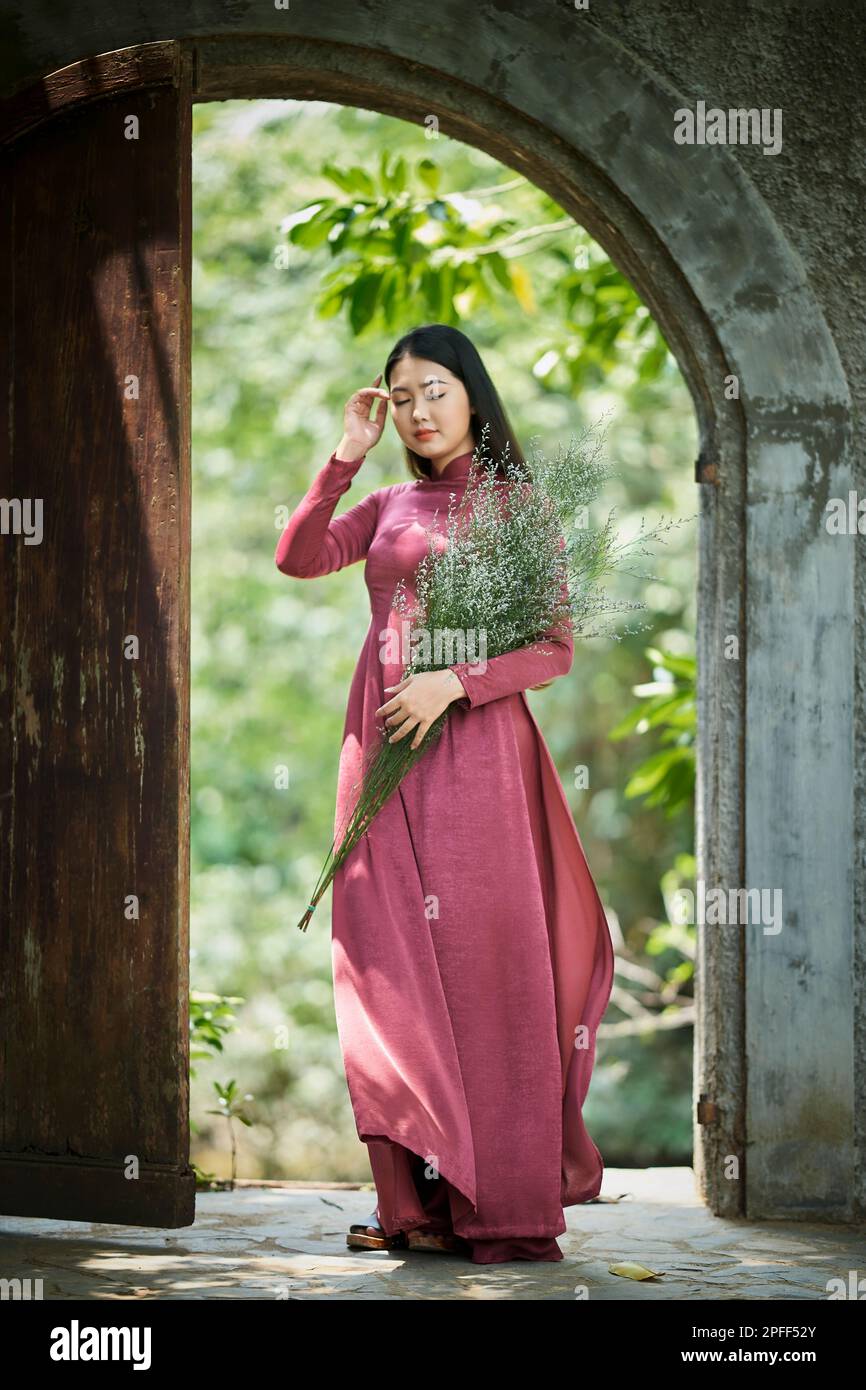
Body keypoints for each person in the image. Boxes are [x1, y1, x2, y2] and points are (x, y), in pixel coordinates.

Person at [275, 323, 615, 1263]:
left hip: (478, 765)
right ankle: (413, 1206)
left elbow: (554, 648)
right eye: (404, 396)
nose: (420, 411)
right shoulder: (384, 501)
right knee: (380, 969)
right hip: (379, 755)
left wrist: (453, 682)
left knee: (486, 966)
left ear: (471, 395)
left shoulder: (517, 507)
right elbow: (299, 557)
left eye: (436, 390)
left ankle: (497, 1205)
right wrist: (344, 458)